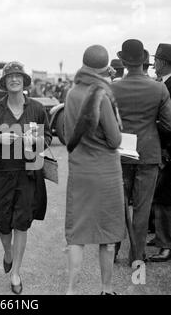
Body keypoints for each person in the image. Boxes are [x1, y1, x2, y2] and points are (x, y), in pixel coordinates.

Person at [0, 61, 51, 294]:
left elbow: (48, 137)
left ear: (24, 80)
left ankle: (16, 272)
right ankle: (8, 253)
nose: (15, 79)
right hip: (1, 174)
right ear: (5, 83)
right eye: (10, 77)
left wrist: (35, 141)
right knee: (3, 221)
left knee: (22, 222)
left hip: (28, 173)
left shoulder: (37, 108)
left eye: (18, 76)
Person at [64, 45, 125, 295]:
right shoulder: (100, 94)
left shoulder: (70, 93)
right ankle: (106, 289)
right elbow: (115, 139)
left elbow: (68, 133)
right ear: (103, 70)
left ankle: (70, 290)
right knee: (108, 236)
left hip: (79, 170)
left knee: (77, 235)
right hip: (105, 173)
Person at [112, 39, 171, 265]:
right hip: (148, 152)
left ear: (124, 62)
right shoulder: (159, 87)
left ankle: (113, 249)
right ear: (145, 61)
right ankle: (136, 256)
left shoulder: (113, 87)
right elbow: (169, 124)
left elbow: (103, 122)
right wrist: (149, 123)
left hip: (120, 153)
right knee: (142, 207)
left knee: (119, 204)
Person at [148, 43, 171, 262]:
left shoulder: (169, 86)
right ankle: (160, 237)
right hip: (162, 149)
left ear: (163, 63)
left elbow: (169, 123)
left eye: (156, 60)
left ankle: (166, 245)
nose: (154, 64)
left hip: (168, 150)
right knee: (159, 195)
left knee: (164, 198)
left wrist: (166, 150)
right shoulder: (163, 83)